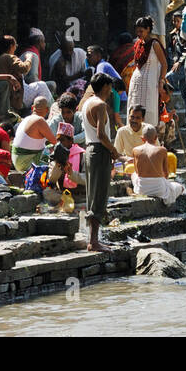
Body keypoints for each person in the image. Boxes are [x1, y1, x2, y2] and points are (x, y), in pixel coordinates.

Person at [80, 74, 122, 250]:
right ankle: (93, 241)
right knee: (99, 196)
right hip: (99, 151)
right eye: (110, 87)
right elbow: (101, 134)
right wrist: (114, 151)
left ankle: (93, 239)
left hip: (90, 150)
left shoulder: (87, 103)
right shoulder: (100, 105)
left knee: (92, 194)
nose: (111, 91)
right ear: (105, 87)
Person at [132, 125, 185, 205]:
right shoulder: (162, 150)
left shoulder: (135, 150)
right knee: (180, 187)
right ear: (156, 137)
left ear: (142, 138)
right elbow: (166, 174)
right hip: (159, 189)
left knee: (133, 175)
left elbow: (137, 171)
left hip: (141, 189)